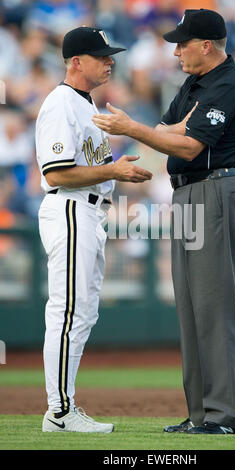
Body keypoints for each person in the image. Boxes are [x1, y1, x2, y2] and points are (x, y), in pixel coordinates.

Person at [93, 9, 235, 434]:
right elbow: (169, 128)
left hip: (218, 189)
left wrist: (132, 127)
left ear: (207, 45)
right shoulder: (194, 84)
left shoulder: (229, 84)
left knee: (214, 307)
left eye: (183, 42)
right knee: (190, 306)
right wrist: (155, 132)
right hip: (190, 192)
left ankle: (225, 416)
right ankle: (202, 413)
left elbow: (185, 144)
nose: (176, 48)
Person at [35, 26, 152, 433]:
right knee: (68, 312)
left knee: (82, 313)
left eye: (110, 55)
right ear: (76, 61)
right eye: (101, 56)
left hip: (89, 213)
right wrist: (112, 169)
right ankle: (60, 412)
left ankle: (63, 408)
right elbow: (57, 172)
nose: (110, 61)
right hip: (69, 209)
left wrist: (117, 170)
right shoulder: (60, 103)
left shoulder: (87, 105)